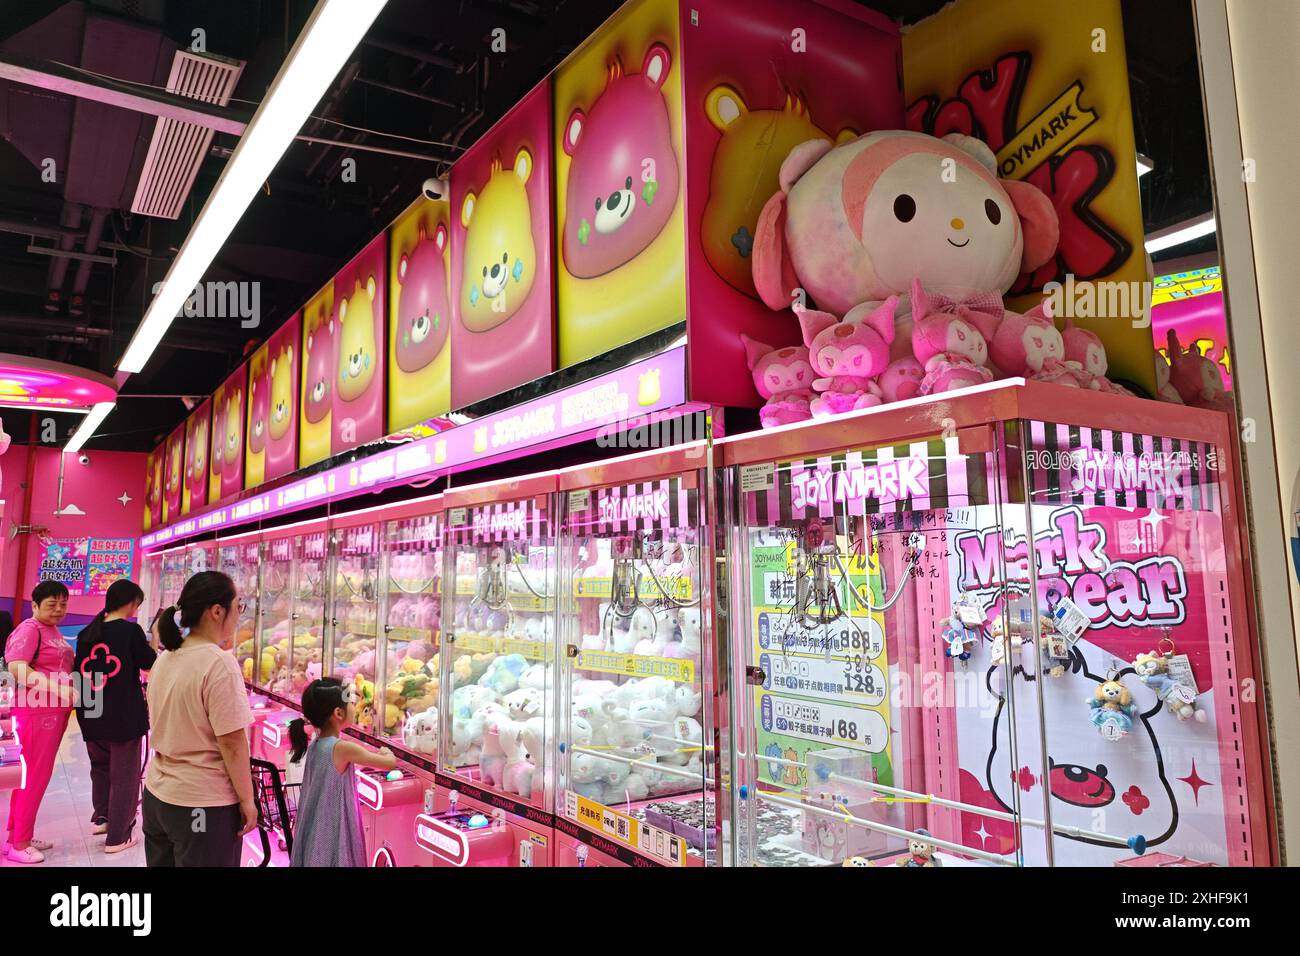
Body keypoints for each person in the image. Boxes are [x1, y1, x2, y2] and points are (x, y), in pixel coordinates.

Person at [142, 571, 255, 866]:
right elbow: (231, 742)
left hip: (158, 796)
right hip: (201, 805)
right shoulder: (219, 663)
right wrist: (247, 799)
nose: (238, 616)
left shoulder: (166, 658)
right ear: (217, 611)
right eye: (238, 607)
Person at [73, 579, 156, 853]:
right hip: (122, 715)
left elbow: (80, 677)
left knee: (101, 768)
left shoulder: (87, 632)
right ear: (132, 603)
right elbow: (149, 663)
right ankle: (118, 837)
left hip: (90, 711)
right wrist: (155, 636)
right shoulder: (130, 632)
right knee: (125, 775)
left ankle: (104, 818)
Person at [3, 581, 75, 864]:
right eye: (51, 604)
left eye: (63, 604)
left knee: (33, 777)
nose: (58, 609)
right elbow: (17, 668)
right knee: (33, 777)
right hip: (35, 714)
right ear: (35, 605)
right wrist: (58, 689)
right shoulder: (29, 629)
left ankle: (18, 835)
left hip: (51, 714)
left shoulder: (52, 631)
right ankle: (19, 843)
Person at [288, 677, 395, 867]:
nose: (355, 707)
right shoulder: (342, 748)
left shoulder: (316, 744)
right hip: (333, 832)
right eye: (352, 704)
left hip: (317, 831)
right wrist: (385, 750)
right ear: (338, 713)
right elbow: (389, 763)